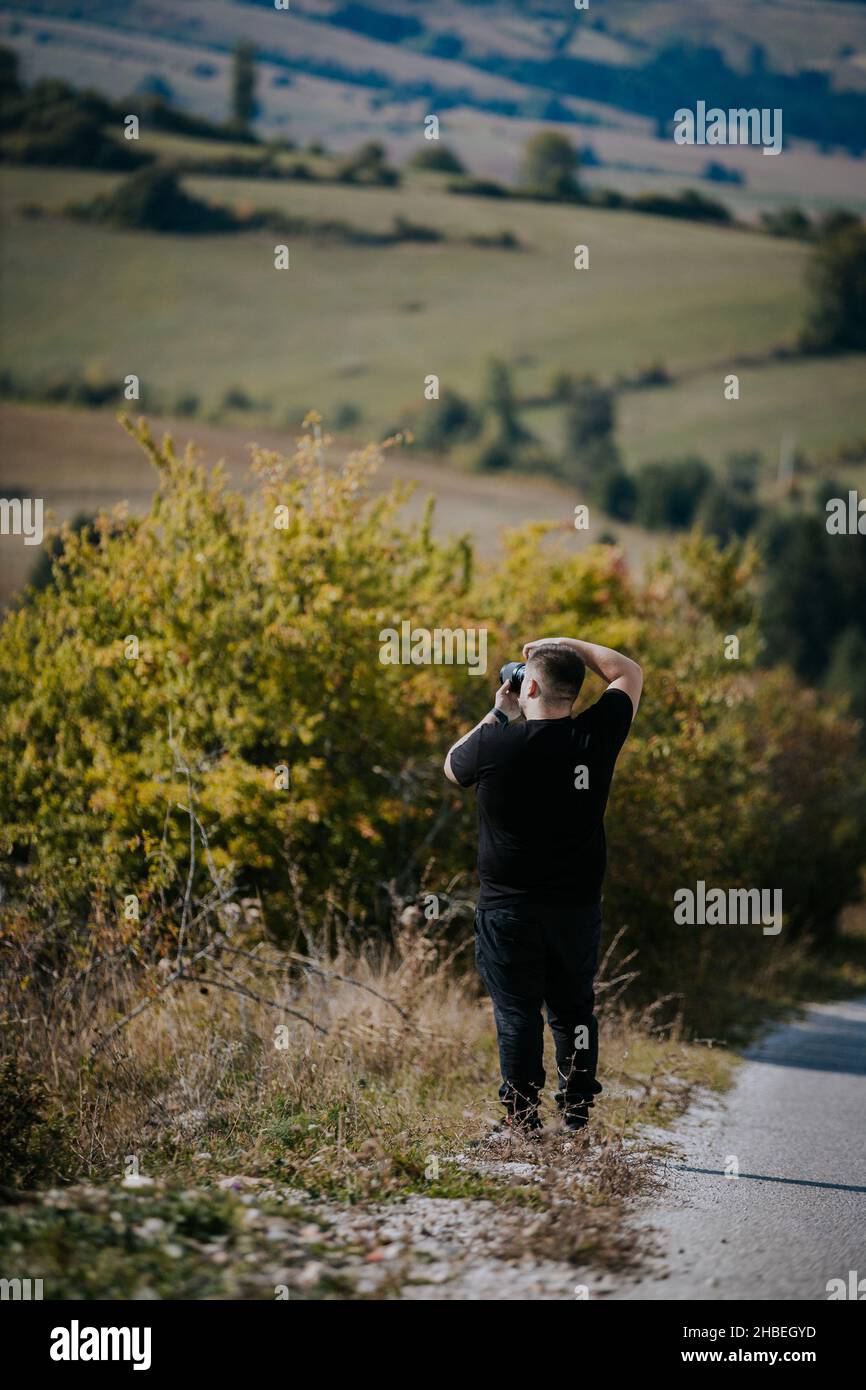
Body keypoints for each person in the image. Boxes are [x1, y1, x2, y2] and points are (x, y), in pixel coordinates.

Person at [444, 637, 642, 1134]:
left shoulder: (493, 746)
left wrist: (498, 711)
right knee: (574, 1011)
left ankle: (521, 1117)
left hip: (507, 911)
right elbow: (627, 672)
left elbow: (452, 766)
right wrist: (566, 646)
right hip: (575, 911)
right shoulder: (595, 736)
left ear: (527, 684)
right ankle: (575, 1112)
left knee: (517, 1015)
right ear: (574, 694)